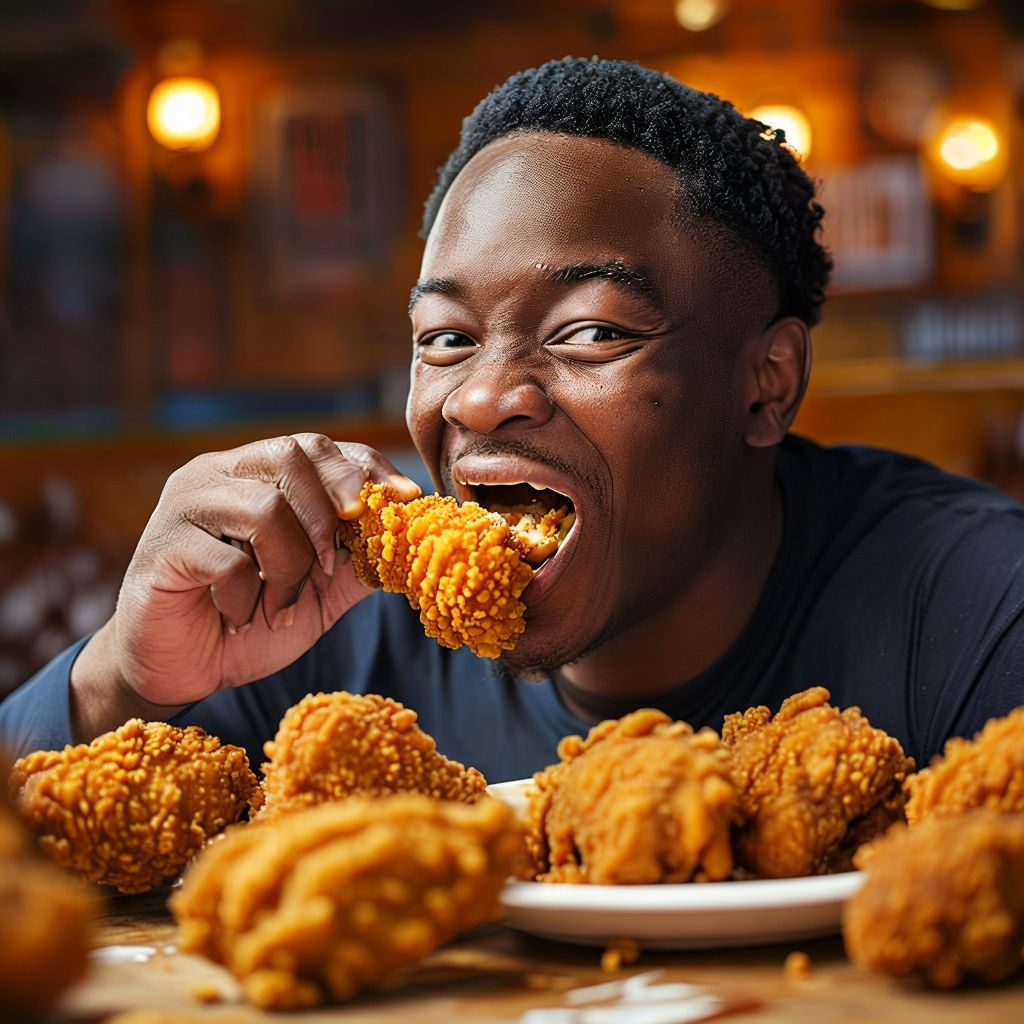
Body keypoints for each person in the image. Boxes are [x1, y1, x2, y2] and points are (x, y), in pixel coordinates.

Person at [3, 56, 1023, 781]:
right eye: (444, 339)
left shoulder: (971, 607)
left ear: (765, 382)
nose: (482, 397)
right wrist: (123, 679)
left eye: (586, 332)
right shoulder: (314, 624)